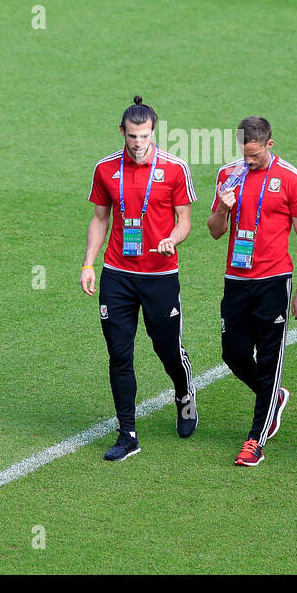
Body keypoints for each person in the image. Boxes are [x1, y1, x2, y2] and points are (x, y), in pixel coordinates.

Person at [81, 96, 198, 461]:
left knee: (166, 348)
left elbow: (185, 221)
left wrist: (172, 239)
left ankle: (184, 392)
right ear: (122, 132)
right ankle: (127, 432)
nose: (138, 143)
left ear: (154, 132)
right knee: (119, 354)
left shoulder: (175, 169)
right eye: (132, 136)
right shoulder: (105, 169)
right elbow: (101, 219)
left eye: (144, 136)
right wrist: (89, 264)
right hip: (118, 274)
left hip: (160, 275)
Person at [208, 116, 297, 467]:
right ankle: (275, 398)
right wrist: (223, 207)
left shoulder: (291, 178)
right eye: (244, 153)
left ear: (269, 144)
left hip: (274, 282)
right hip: (236, 280)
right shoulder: (229, 175)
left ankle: (256, 440)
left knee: (269, 362)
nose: (248, 160)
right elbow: (214, 231)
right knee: (233, 354)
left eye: (254, 155)